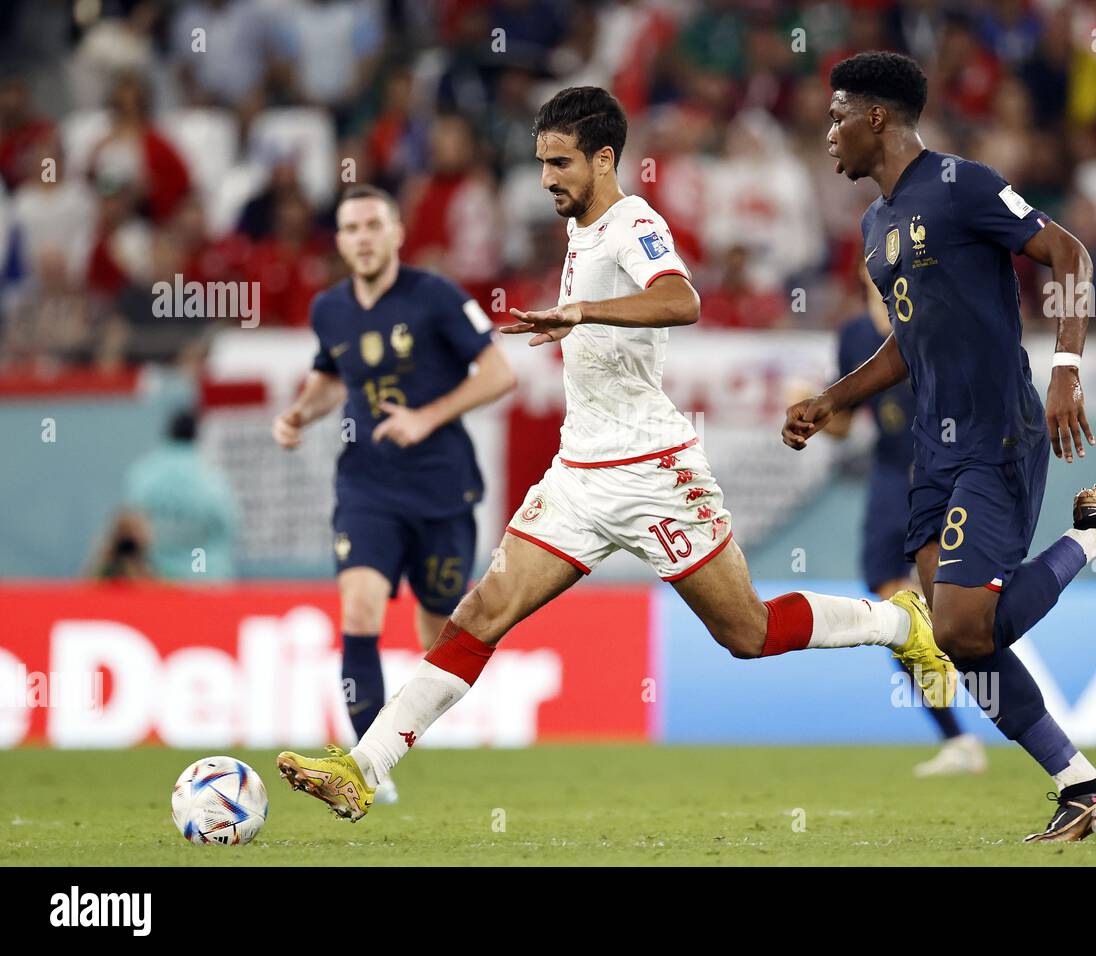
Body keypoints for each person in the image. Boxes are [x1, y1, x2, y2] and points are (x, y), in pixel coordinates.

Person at [276, 87, 955, 823]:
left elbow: (682, 299)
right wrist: (579, 324)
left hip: (654, 470)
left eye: (560, 163)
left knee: (747, 633)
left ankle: (899, 624)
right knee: (482, 611)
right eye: (542, 163)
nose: (546, 179)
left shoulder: (634, 223)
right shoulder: (581, 229)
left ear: (604, 159)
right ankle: (364, 769)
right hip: (580, 473)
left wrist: (581, 311)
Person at [783, 53, 1096, 842]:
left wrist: (1066, 370)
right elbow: (908, 342)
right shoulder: (874, 226)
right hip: (933, 447)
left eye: (837, 117)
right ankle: (1083, 785)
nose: (829, 135)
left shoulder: (963, 185)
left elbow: (1071, 253)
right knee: (953, 633)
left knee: (962, 627)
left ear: (876, 118)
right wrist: (833, 398)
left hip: (998, 430)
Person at [271, 184, 516, 805]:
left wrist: (425, 417)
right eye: (351, 228)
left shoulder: (435, 296)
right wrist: (299, 413)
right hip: (367, 486)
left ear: (397, 233)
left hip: (441, 489)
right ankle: (365, 770)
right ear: (339, 240)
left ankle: (398, 738)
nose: (363, 238)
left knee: (441, 630)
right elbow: (332, 378)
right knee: (359, 612)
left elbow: (499, 373)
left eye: (374, 225)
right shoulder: (329, 309)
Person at [825, 261, 985, 777]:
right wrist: (812, 413)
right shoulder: (853, 335)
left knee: (947, 605)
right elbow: (844, 422)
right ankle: (957, 737)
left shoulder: (934, 321)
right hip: (890, 477)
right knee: (896, 605)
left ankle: (999, 716)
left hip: (938, 471)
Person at [123, 409, 240, 582]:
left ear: (169, 433)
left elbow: (130, 523)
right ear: (196, 436)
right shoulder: (209, 475)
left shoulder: (145, 472)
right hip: (200, 568)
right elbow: (228, 524)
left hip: (156, 572)